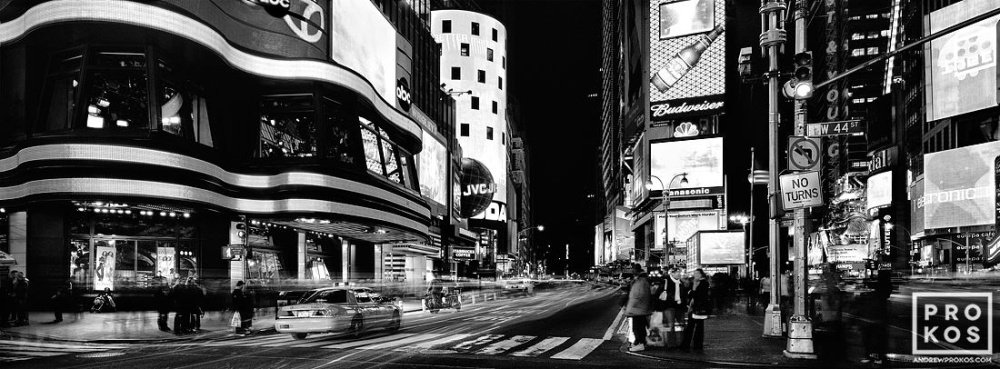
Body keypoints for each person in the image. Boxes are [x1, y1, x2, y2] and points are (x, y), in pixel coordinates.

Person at [680, 269, 710, 351]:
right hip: (694, 307)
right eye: (694, 273)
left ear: (701, 274)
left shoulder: (703, 283)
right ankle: (694, 345)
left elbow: (697, 295)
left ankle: (690, 344)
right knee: (694, 326)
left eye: (697, 273)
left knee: (694, 326)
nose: (695, 275)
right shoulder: (695, 282)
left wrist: (690, 292)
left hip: (698, 308)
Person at [624, 265, 652, 352]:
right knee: (639, 328)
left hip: (638, 309)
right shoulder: (641, 281)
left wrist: (629, 309)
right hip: (640, 309)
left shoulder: (640, 282)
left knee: (638, 328)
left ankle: (640, 344)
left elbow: (636, 296)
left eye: (633, 269)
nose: (632, 271)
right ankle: (639, 343)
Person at [659, 267, 688, 348]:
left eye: (679, 272)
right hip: (669, 306)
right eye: (677, 273)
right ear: (671, 273)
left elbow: (685, 295)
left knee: (681, 325)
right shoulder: (666, 281)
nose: (679, 274)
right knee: (670, 325)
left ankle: (682, 343)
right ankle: (671, 343)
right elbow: (658, 293)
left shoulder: (681, 282)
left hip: (679, 306)